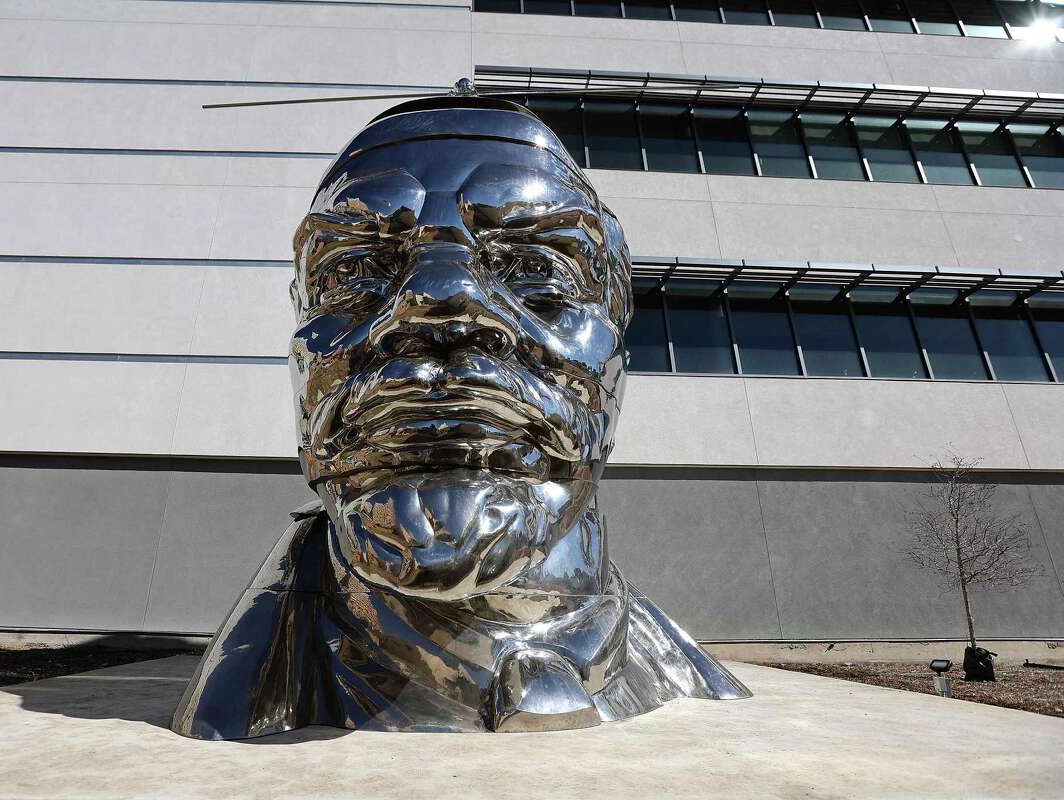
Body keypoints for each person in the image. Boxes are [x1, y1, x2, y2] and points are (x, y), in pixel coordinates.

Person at [171, 95, 748, 740]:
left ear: (617, 348)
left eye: (534, 267)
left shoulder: (684, 676)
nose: (438, 299)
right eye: (357, 269)